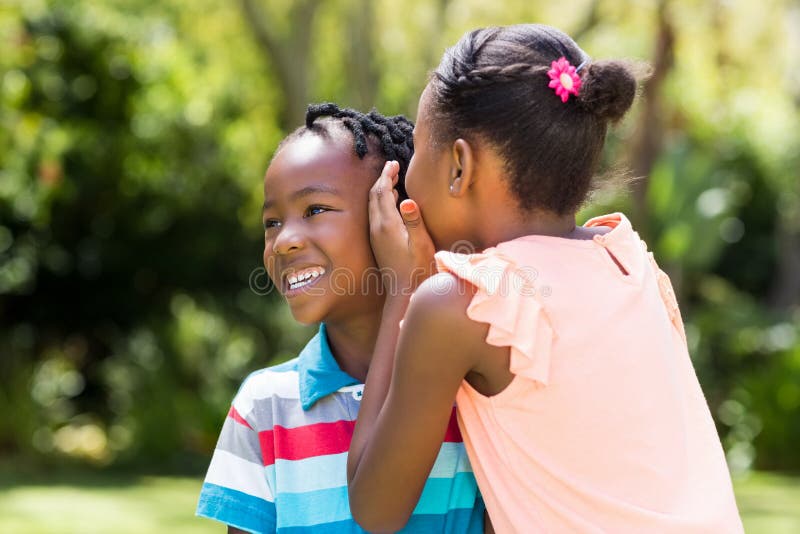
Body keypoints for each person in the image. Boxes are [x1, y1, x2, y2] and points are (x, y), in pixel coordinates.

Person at [347, 24, 743, 533]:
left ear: (459, 166)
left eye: (420, 149)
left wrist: (403, 287)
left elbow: (374, 509)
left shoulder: (457, 304)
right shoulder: (628, 261)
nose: (409, 168)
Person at [196, 103, 485, 533]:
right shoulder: (265, 407)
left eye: (315, 210)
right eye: (272, 222)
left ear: (395, 215)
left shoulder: (472, 395)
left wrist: (404, 288)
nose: (283, 242)